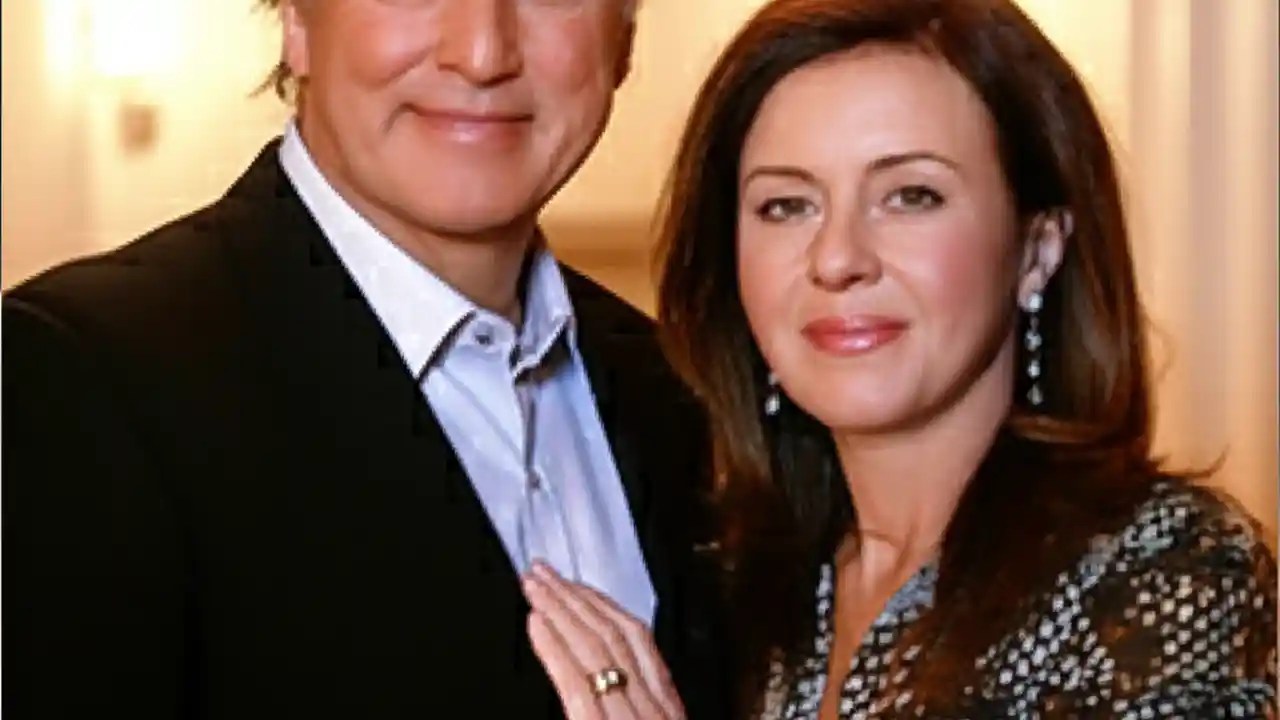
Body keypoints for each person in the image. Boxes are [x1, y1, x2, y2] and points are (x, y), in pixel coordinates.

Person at [521, 0, 1278, 717]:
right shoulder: (726, 587)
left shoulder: (1164, 571)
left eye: (910, 196)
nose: (838, 258)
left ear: (1037, 249)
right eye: (787, 205)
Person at [3, 1, 728, 717]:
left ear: (624, 35)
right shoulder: (80, 379)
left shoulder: (685, 391)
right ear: (295, 21)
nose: (482, 53)